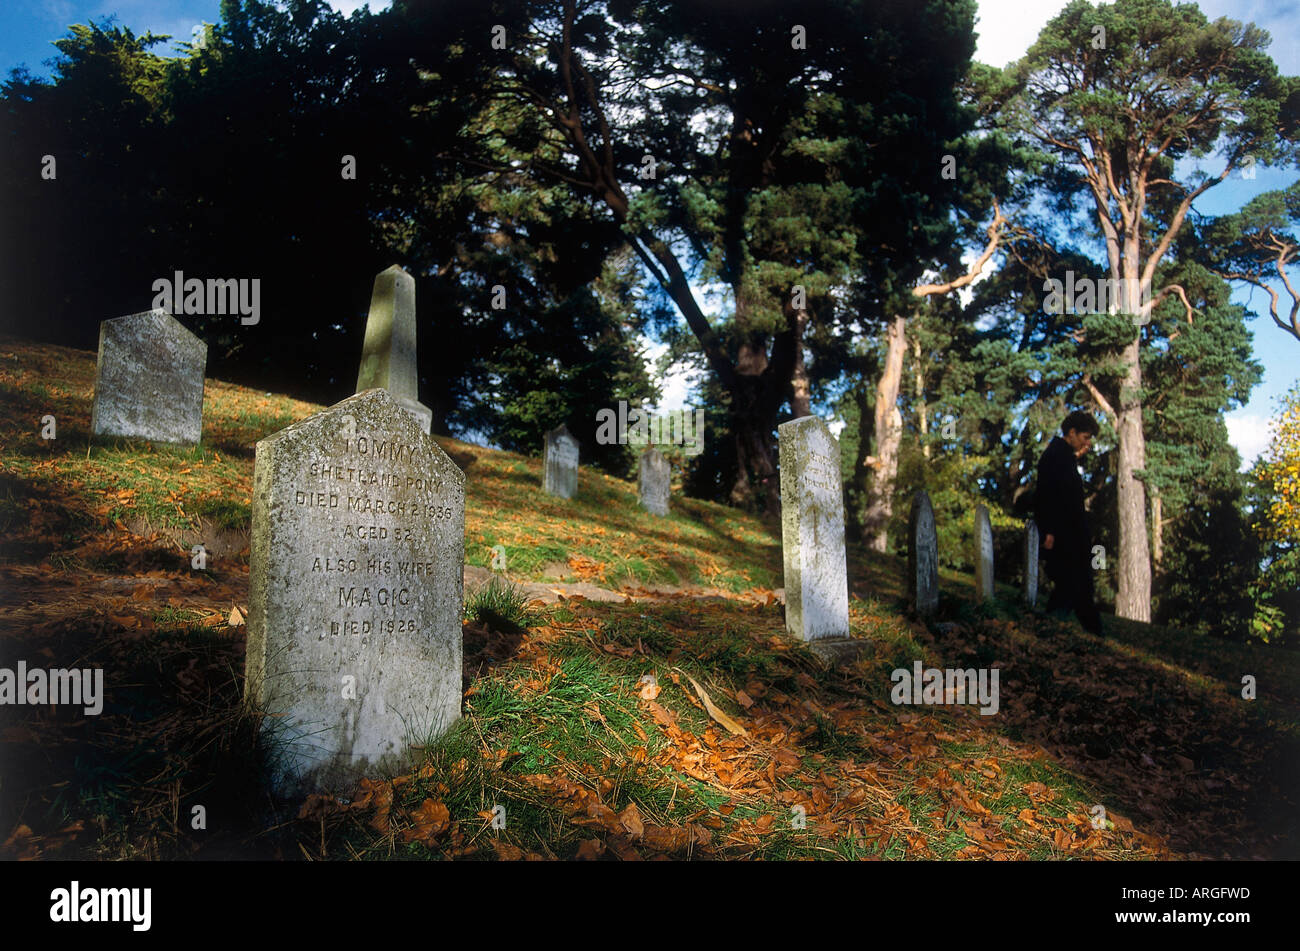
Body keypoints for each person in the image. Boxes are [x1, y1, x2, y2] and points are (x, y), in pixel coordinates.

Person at [1035, 410, 1103, 634]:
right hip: (1064, 536)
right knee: (1076, 586)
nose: (1088, 442)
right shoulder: (1055, 456)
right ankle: (1089, 633)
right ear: (1071, 433)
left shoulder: (1063, 456)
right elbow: (1048, 496)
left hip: (1072, 535)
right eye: (1085, 437)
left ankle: (1052, 627)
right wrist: (1049, 532)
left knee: (1074, 587)